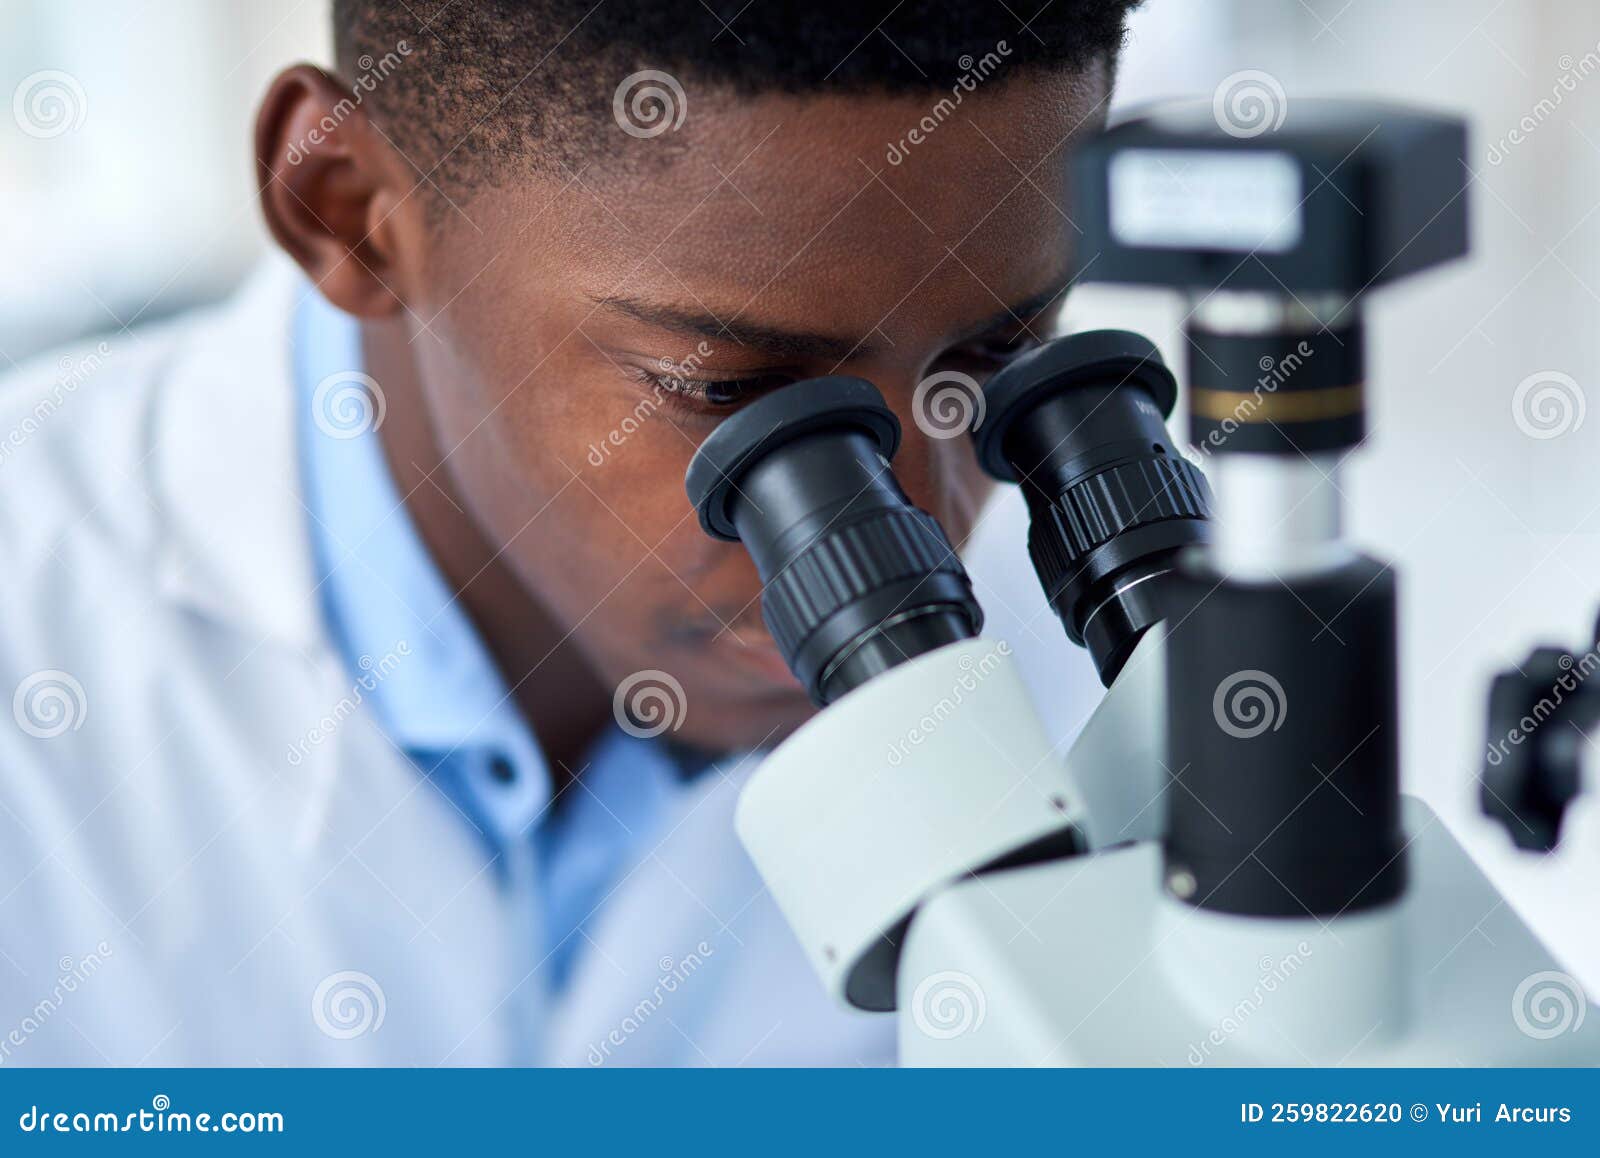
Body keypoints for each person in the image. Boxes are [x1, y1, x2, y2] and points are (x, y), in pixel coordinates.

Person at [0, 0, 1136, 1065]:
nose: (923, 528)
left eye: (993, 358)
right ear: (350, 208)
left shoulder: (1159, 672)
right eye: (731, 391)